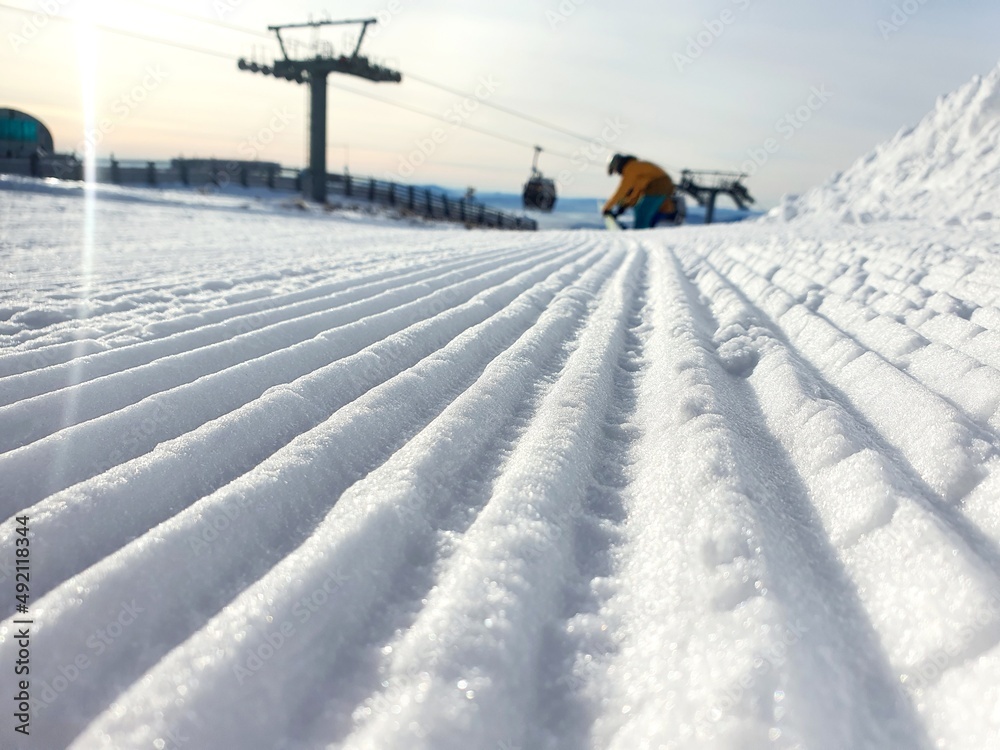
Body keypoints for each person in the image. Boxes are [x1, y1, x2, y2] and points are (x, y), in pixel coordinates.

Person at [603, 154, 679, 229]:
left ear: (617, 164)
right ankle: (643, 229)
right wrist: (624, 206)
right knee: (638, 208)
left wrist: (607, 208)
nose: (616, 173)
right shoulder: (634, 167)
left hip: (659, 186)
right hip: (659, 187)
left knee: (642, 212)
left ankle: (640, 231)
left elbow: (622, 190)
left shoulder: (631, 168)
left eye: (614, 170)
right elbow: (635, 191)